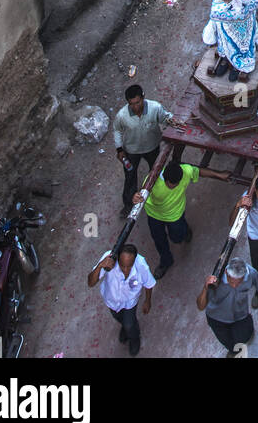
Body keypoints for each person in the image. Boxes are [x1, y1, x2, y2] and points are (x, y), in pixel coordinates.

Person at [142, 159, 229, 279]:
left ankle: (185, 230)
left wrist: (219, 174)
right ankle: (166, 261)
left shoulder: (185, 171)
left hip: (175, 214)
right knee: (159, 240)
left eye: (177, 183)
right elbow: (140, 195)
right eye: (173, 184)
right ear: (165, 179)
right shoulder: (152, 181)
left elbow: (200, 172)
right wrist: (135, 198)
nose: (176, 186)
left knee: (177, 238)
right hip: (154, 214)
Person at [113, 85, 173, 219]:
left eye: (137, 102)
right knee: (130, 178)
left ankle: (158, 199)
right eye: (132, 104)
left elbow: (166, 119)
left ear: (143, 97)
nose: (135, 107)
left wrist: (175, 123)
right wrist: (119, 149)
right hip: (131, 151)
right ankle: (128, 204)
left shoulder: (155, 108)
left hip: (152, 148)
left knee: (156, 173)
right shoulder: (122, 115)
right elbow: (117, 130)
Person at [88, 245, 155, 357]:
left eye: (129, 266)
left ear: (135, 260)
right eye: (122, 266)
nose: (125, 270)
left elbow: (149, 284)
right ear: (117, 258)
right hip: (111, 300)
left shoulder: (141, 264)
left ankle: (134, 338)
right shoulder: (109, 258)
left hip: (130, 302)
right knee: (118, 318)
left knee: (129, 324)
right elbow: (90, 283)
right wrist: (100, 266)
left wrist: (148, 301)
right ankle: (125, 326)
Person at [197, 256, 258, 356]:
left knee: (244, 337)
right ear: (226, 272)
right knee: (229, 343)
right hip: (217, 318)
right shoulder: (215, 279)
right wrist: (205, 288)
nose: (235, 285)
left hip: (239, 316)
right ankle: (232, 351)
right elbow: (200, 306)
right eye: (232, 281)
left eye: (239, 281)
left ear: (244, 276)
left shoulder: (251, 273)